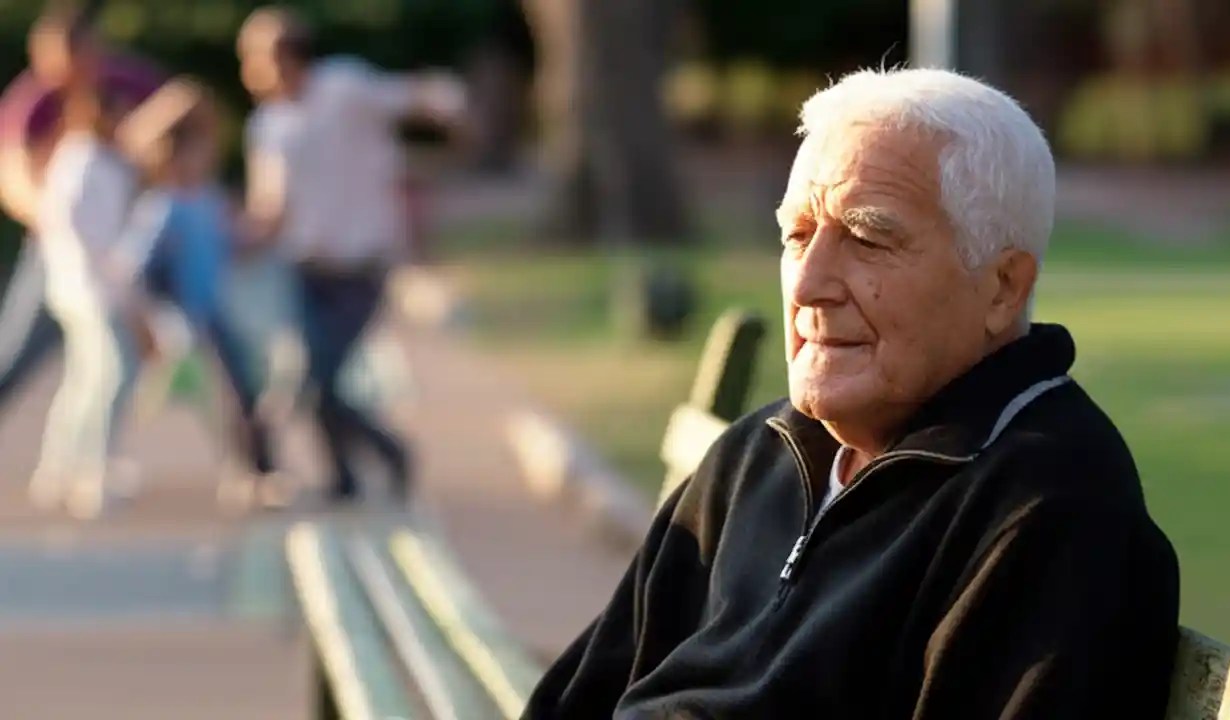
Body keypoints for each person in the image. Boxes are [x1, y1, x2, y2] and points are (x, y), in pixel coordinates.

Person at [522, 68, 1181, 719]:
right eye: (797, 236)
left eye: (868, 238)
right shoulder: (754, 455)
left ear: (1003, 286)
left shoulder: (1048, 507)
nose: (808, 284)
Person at [236, 6, 466, 503]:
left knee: (320, 376)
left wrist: (451, 105)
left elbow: (412, 96)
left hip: (360, 267)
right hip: (305, 270)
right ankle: (344, 476)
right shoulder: (268, 126)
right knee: (313, 377)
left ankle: (389, 451)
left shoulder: (343, 89)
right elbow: (269, 208)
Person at [114, 77, 281, 505]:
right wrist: (155, 322)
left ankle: (256, 469)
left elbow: (232, 244)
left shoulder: (207, 200)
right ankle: (242, 469)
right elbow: (138, 269)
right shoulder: (163, 208)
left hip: (217, 313)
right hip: (188, 322)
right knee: (214, 399)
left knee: (245, 393)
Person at [0, 4, 164, 411]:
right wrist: (69, 217)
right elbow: (14, 178)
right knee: (17, 353)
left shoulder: (130, 84)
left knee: (165, 354)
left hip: (128, 243)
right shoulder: (35, 99)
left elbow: (175, 126)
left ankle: (253, 459)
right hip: (64, 250)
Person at [28, 81, 148, 518]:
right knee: (113, 376)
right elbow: (77, 227)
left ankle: (61, 469)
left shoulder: (99, 161)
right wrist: (109, 278)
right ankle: (89, 474)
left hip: (87, 287)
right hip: (91, 289)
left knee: (86, 380)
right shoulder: (82, 160)